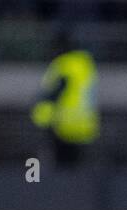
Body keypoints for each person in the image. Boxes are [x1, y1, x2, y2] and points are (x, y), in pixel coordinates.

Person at [31, 34, 98, 167]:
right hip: (85, 126)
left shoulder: (64, 65)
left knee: (62, 171)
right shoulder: (85, 64)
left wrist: (41, 118)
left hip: (63, 126)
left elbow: (53, 95)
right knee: (78, 171)